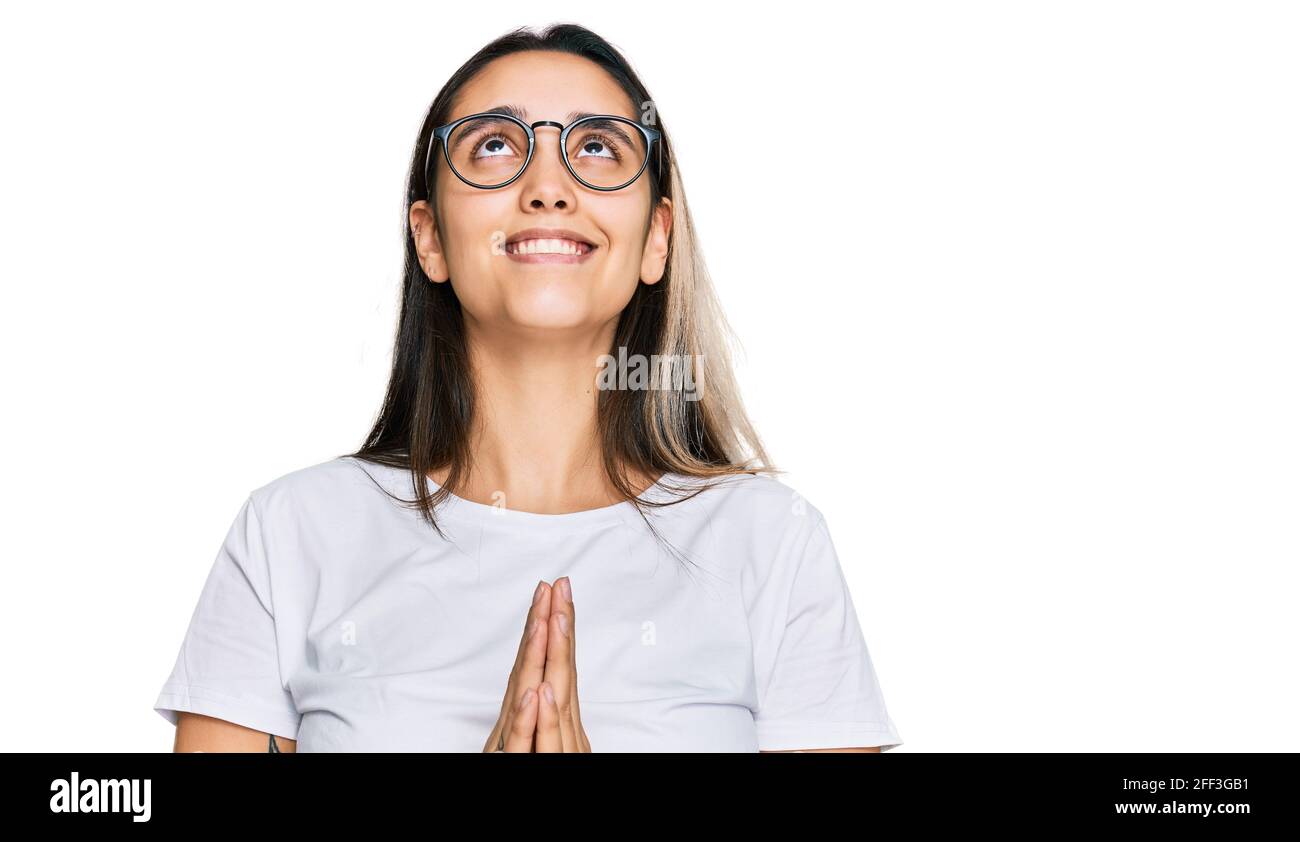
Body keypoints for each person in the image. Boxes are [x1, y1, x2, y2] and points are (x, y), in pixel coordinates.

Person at [153, 23, 903, 753]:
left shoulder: (773, 545)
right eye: (495, 145)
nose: (547, 188)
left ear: (657, 238)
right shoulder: (289, 536)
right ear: (431, 237)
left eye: (598, 147)